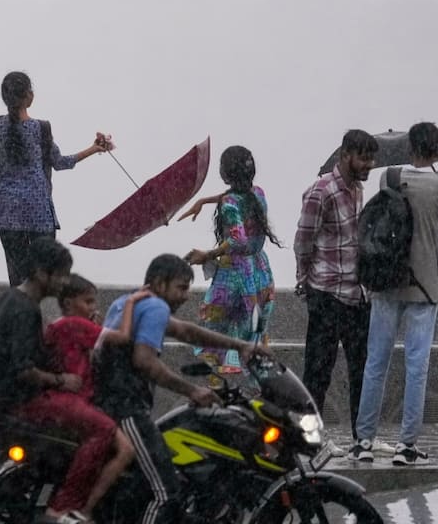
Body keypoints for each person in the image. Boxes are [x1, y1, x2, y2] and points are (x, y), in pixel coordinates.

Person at [93, 254, 271, 523]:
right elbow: (145, 362)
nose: (186, 296)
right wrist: (192, 391)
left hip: (108, 402)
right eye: (181, 287)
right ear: (159, 283)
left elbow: (186, 332)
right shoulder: (154, 307)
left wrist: (239, 346)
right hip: (125, 408)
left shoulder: (131, 302)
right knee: (166, 494)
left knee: (146, 485)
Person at [0, 238, 118, 523]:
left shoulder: (11, 299)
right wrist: (61, 380)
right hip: (21, 401)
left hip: (0, 397)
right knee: (103, 429)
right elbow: (23, 369)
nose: (64, 282)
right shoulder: (25, 309)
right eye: (61, 275)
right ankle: (65, 507)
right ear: (42, 273)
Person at [351, 122, 438, 465]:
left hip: (387, 281)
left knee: (376, 362)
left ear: (409, 147)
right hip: (427, 287)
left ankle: (365, 441)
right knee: (417, 367)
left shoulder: (389, 178)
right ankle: (406, 445)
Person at [0, 71, 113, 286]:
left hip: (7, 210)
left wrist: (7, 156)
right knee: (44, 277)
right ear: (28, 96)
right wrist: (94, 149)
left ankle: (20, 316)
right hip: (38, 210)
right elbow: (61, 163)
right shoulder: (41, 128)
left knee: (17, 278)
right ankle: (40, 316)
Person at [293, 129, 379, 458]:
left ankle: (363, 437)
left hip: (357, 294)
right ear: (344, 155)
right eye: (363, 159)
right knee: (317, 372)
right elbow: (304, 240)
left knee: (363, 369)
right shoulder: (321, 191)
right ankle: (310, 441)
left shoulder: (357, 190)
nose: (369, 165)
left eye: (371, 159)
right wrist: (305, 277)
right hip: (326, 292)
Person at [42, 274, 144, 520]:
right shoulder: (74, 325)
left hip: (66, 400)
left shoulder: (60, 325)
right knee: (125, 449)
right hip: (75, 403)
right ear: (68, 304)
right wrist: (131, 303)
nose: (93, 308)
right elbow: (122, 338)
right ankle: (75, 508)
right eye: (87, 302)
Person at [183, 146, 281, 370]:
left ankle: (217, 375)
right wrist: (204, 201)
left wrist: (207, 254)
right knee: (252, 325)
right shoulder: (258, 193)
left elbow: (238, 241)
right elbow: (236, 196)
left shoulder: (229, 204)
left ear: (224, 174)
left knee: (214, 324)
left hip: (235, 272)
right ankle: (251, 369)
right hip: (258, 269)